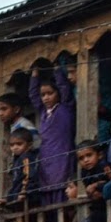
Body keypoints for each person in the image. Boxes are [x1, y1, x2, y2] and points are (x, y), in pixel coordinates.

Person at [30, 62, 76, 210]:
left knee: (61, 195)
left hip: (62, 156)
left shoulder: (64, 108)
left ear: (58, 94)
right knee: (47, 199)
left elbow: (65, 89)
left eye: (50, 93)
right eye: (43, 95)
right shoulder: (43, 113)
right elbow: (33, 95)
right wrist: (34, 75)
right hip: (46, 159)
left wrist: (57, 69)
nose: (46, 98)